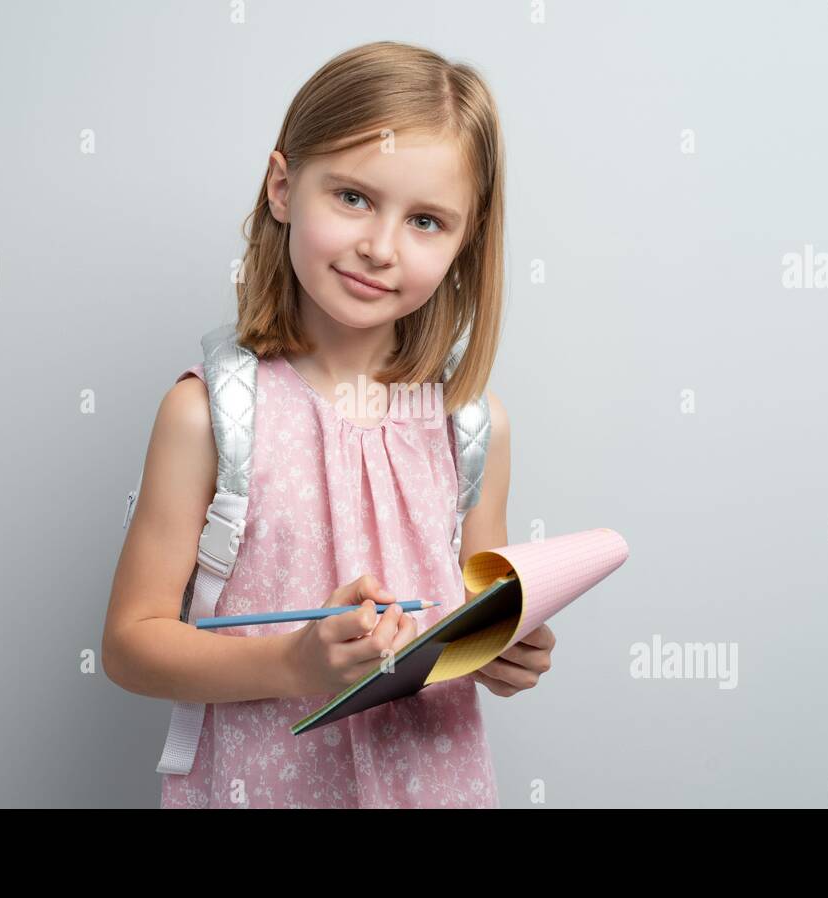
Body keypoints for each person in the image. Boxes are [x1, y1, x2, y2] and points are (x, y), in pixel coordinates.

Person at [102, 40, 555, 809]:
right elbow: (129, 646)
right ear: (283, 187)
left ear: (465, 241)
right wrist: (291, 666)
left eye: (426, 221)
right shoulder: (208, 415)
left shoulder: (472, 427)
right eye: (352, 198)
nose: (380, 248)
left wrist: (501, 655)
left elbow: (475, 625)